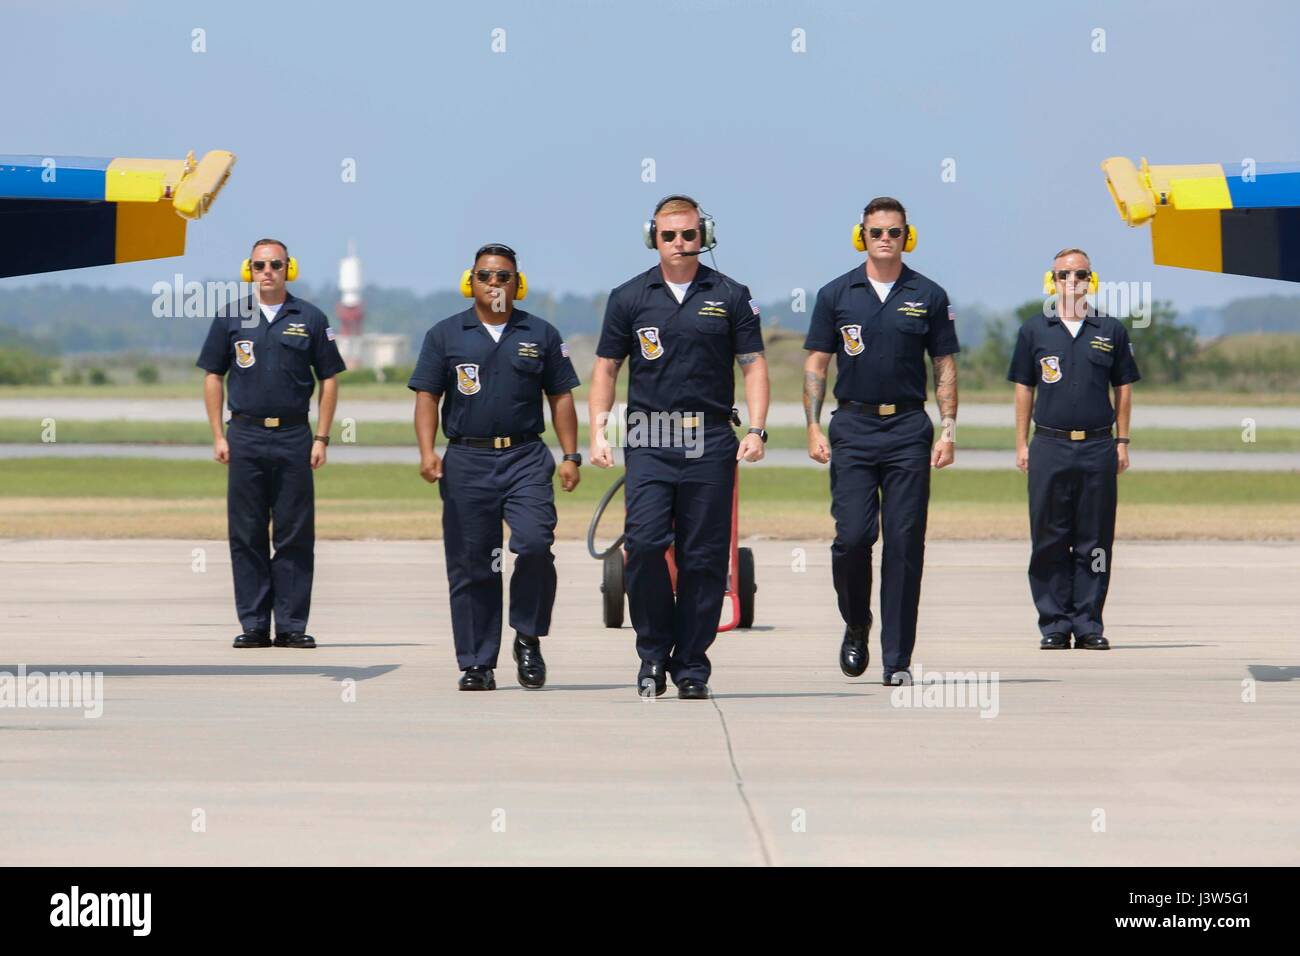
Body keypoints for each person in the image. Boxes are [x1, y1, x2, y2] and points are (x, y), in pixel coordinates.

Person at [589, 195, 769, 700]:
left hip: (710, 436)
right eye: (669, 236)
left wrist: (756, 429)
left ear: (704, 235)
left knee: (704, 557)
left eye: (689, 235)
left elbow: (753, 364)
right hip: (649, 433)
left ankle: (692, 663)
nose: (680, 244)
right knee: (644, 545)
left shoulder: (731, 294)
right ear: (654, 238)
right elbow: (606, 368)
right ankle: (652, 653)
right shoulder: (628, 297)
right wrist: (598, 431)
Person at [409, 243, 581, 691]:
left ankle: (527, 636)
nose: (494, 284)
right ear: (471, 282)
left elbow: (560, 396)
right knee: (473, 564)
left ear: (517, 284)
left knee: (535, 545)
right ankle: (477, 662)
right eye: (485, 276)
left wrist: (569, 455)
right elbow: (427, 396)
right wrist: (428, 451)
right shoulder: (445, 335)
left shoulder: (540, 334)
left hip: (525, 457)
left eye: (503, 276)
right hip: (467, 459)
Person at [803, 197, 959, 686]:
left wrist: (949, 427)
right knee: (852, 538)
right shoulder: (836, 294)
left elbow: (945, 366)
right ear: (861, 236)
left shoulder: (929, 295)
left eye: (894, 231)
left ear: (907, 237)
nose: (885, 239)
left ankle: (897, 660)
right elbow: (816, 365)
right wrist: (811, 424)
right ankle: (856, 621)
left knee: (905, 544)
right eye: (876, 232)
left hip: (909, 429)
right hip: (852, 426)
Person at [197, 238, 346, 649]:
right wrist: (217, 434)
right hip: (244, 434)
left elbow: (329, 377)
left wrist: (322, 437)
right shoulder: (231, 318)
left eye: (276, 265)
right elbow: (213, 374)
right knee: (246, 533)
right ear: (249, 269)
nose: (268, 272)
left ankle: (293, 625)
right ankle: (255, 625)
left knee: (294, 533)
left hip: (294, 435)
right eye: (260, 265)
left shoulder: (311, 318)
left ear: (288, 268)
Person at [1008, 248, 1140, 650]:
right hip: (1048, 443)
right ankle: (1053, 623)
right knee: (1049, 537)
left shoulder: (1110, 330)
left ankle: (1088, 623)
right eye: (1064, 275)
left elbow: (1124, 389)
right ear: (1052, 281)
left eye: (1080, 274)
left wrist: (1122, 440)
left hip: (1098, 446)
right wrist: (1020, 443)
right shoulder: (1034, 330)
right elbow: (1023, 388)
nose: (1072, 281)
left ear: (1091, 280)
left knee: (1094, 539)